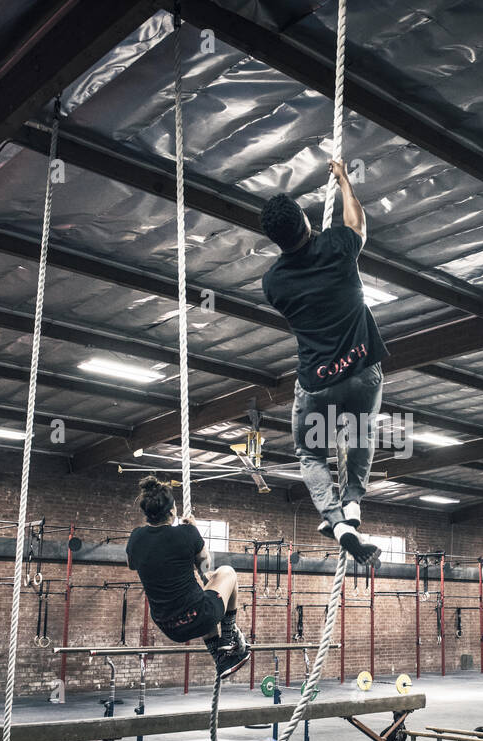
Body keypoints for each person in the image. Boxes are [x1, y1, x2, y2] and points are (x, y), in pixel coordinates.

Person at [261, 160, 386, 566]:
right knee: (360, 431)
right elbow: (359, 225)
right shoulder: (336, 246)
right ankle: (352, 504)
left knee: (311, 454)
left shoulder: (274, 283)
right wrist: (345, 181)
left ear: (275, 241)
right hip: (362, 372)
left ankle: (336, 521)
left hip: (317, 384)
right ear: (305, 219)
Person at [125, 477, 248, 679]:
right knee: (227, 573)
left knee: (198, 596)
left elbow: (131, 564)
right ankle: (228, 638)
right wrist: (194, 530)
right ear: (172, 511)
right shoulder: (186, 533)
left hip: (169, 627)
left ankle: (221, 658)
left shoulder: (136, 538)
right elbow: (206, 567)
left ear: (147, 513)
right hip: (198, 615)